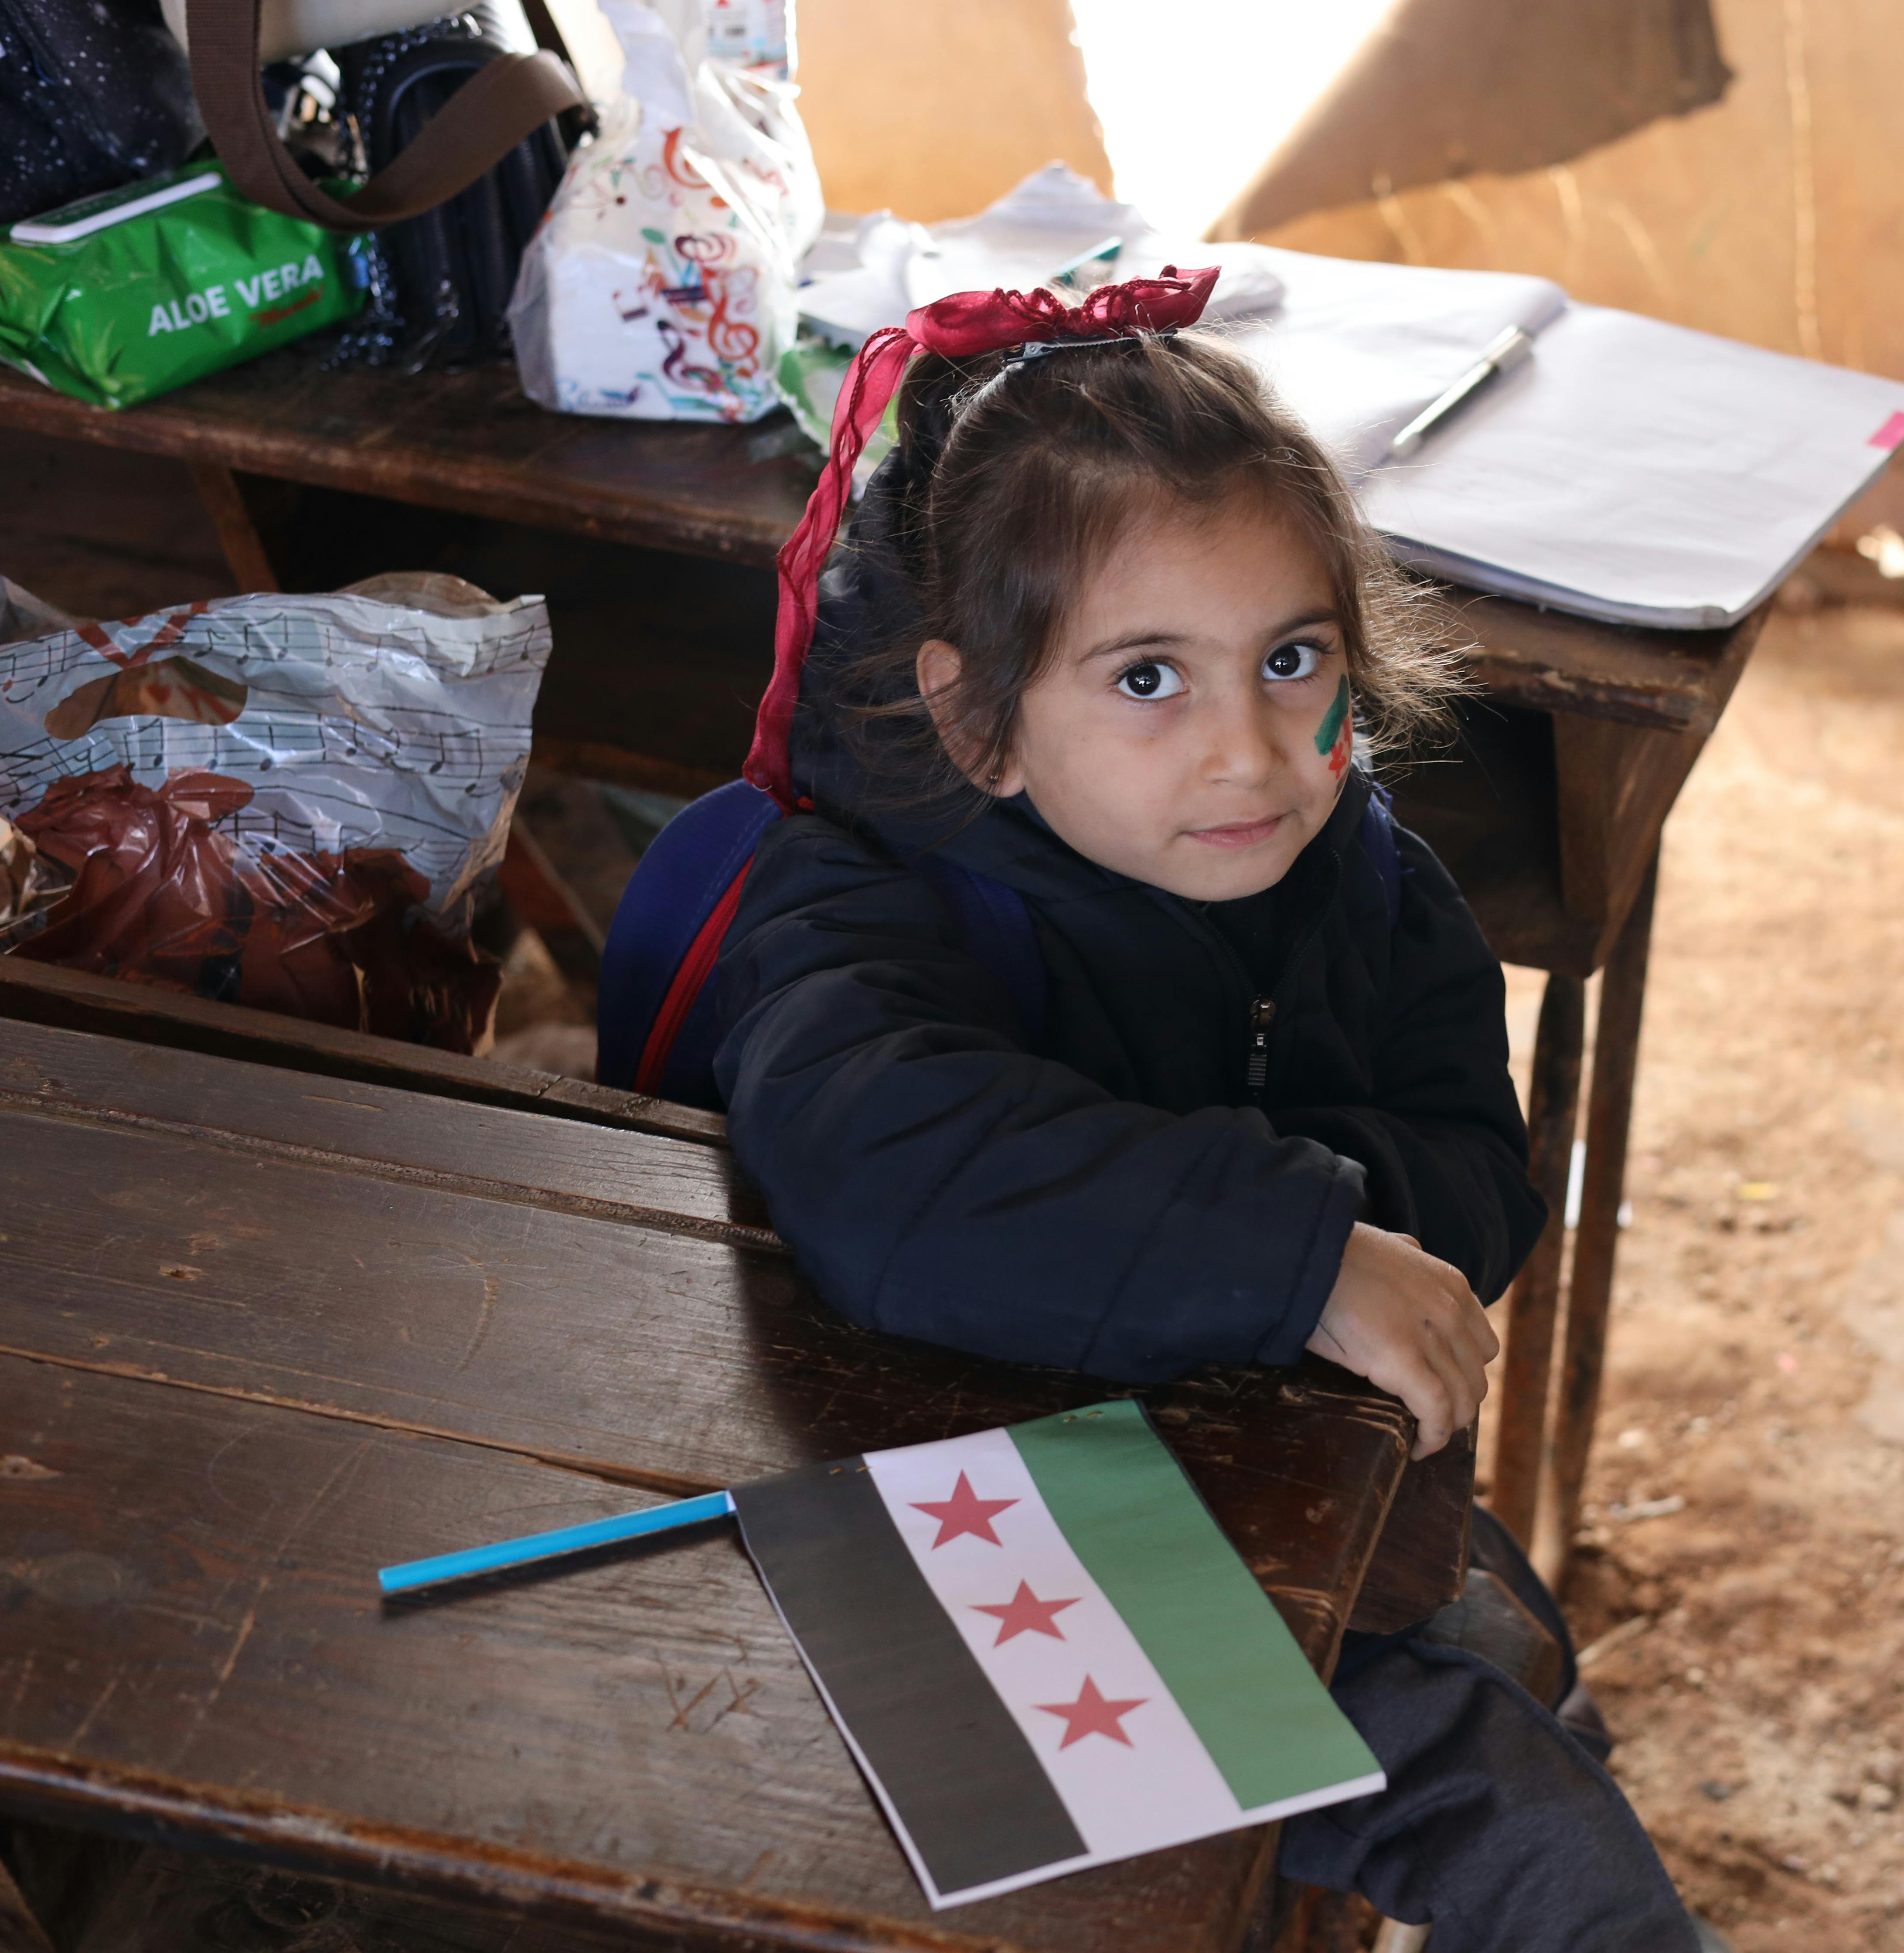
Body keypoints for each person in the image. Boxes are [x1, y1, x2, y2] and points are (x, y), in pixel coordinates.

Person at [707, 271, 1700, 1953]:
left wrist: (1340, 1232)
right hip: (954, 1538)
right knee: (1487, 1822)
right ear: (976, 717)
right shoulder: (863, 896)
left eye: (1293, 659)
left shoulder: (1361, 877)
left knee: (1519, 1678)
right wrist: (1305, 1248)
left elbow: (1473, 1157)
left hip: (1250, 1475)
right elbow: (889, 1177)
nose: (1250, 751)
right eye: (1149, 679)